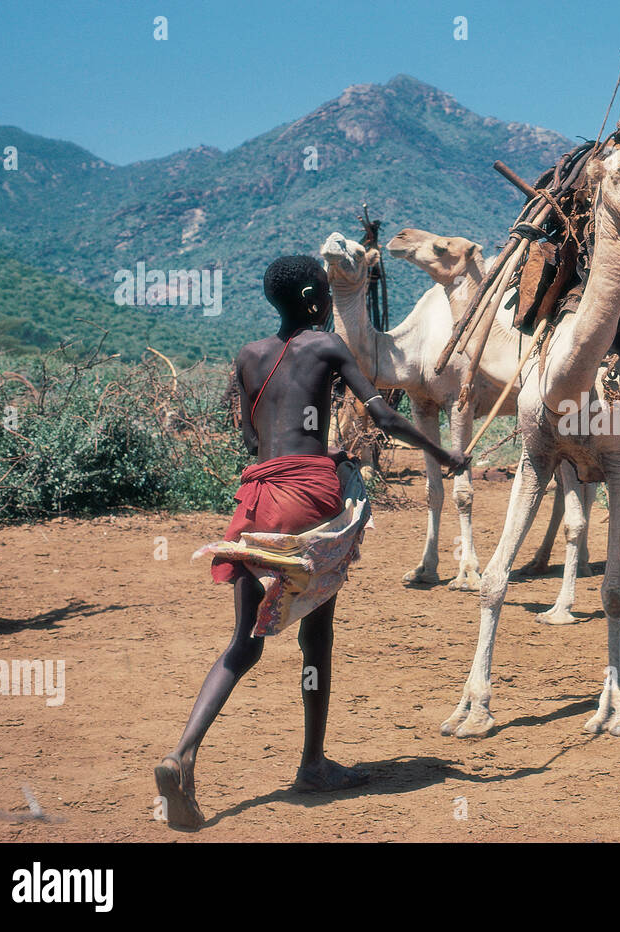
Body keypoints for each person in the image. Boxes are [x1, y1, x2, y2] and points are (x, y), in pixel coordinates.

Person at [154, 254, 468, 830]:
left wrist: (310, 450)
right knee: (315, 636)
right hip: (310, 497)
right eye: (323, 290)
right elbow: (383, 415)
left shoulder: (249, 356)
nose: (327, 298)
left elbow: (254, 436)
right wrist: (445, 455)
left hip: (256, 499)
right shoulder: (326, 348)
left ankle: (182, 753)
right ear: (314, 296)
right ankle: (313, 764)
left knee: (244, 642)